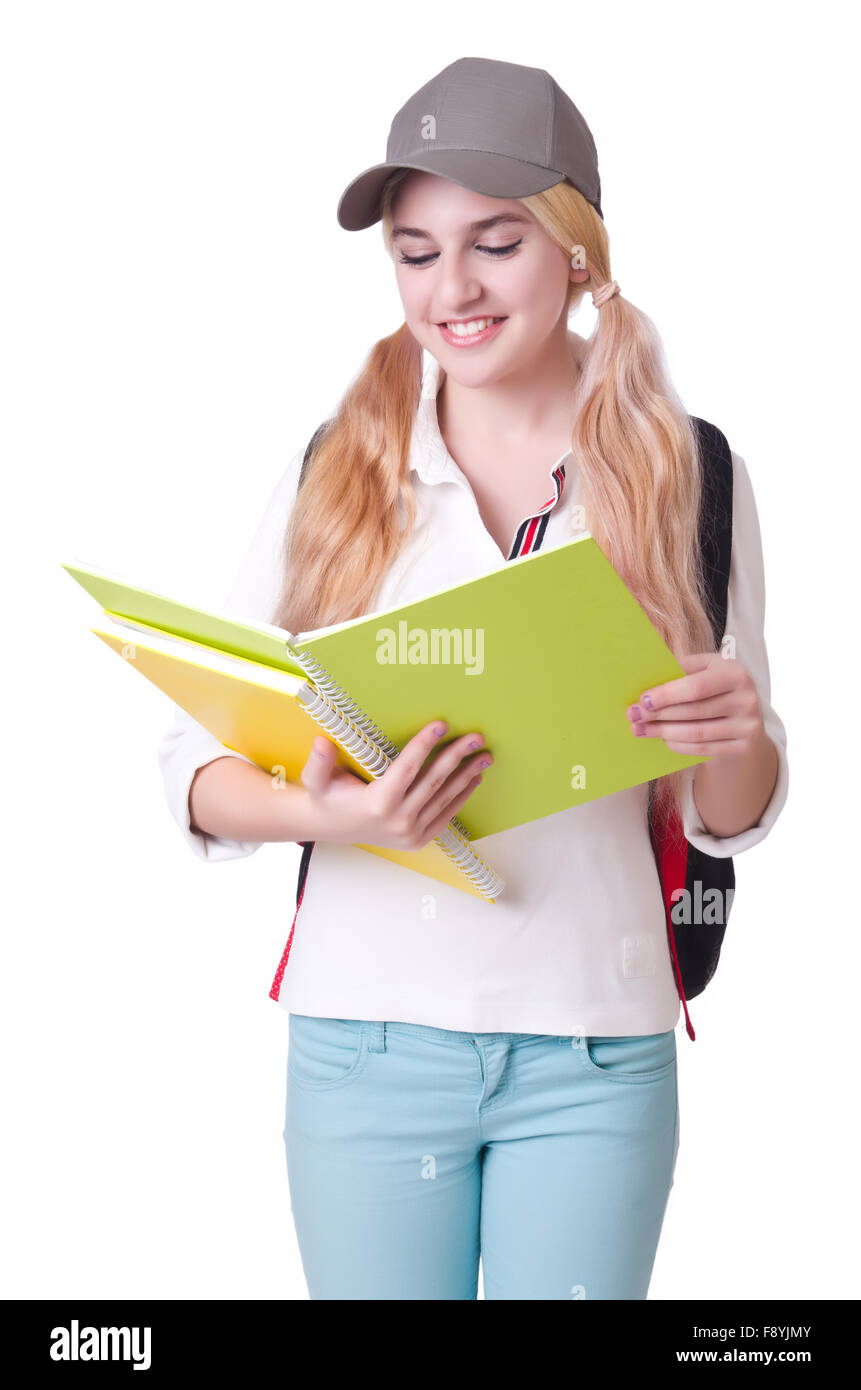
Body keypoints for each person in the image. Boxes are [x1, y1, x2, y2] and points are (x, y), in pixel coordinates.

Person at [158, 57, 789, 1300]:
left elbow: (732, 813)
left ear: (577, 251)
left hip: (596, 1053)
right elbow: (196, 768)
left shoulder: (693, 474)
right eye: (416, 250)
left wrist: (734, 730)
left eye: (495, 243)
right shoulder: (339, 472)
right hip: (363, 1045)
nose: (452, 289)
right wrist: (330, 815)